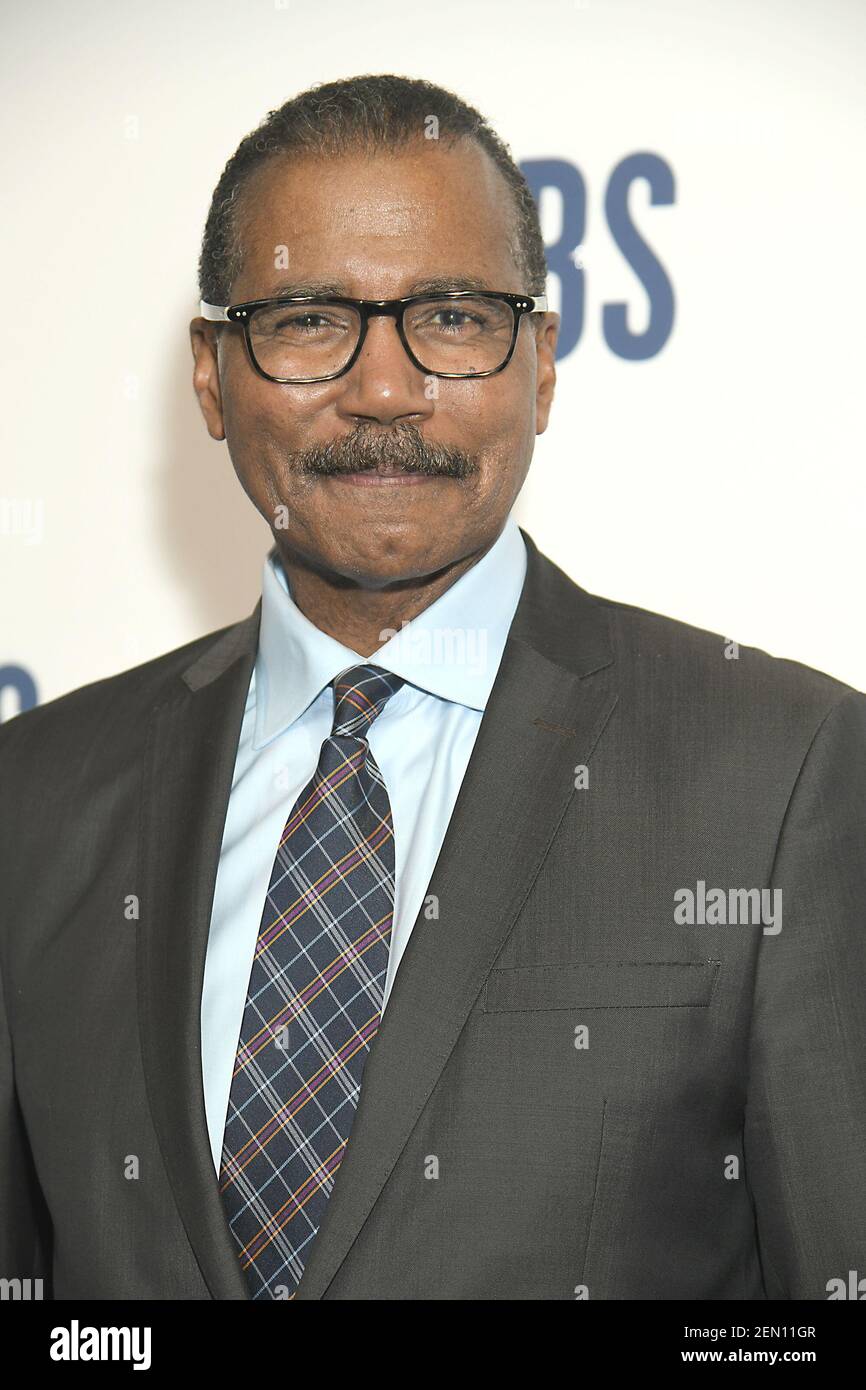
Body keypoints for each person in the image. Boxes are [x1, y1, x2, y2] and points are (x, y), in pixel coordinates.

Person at [1, 73, 864, 1302]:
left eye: (452, 319)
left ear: (542, 365)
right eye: (307, 319)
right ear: (211, 374)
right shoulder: (32, 797)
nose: (386, 390)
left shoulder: (779, 774)